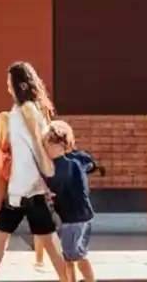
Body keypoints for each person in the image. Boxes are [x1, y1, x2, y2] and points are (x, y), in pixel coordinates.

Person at [0, 61, 70, 282]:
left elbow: (38, 144)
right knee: (0, 238)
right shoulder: (20, 111)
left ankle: (67, 279)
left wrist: (47, 173)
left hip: (30, 189)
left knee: (46, 241)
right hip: (19, 190)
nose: (7, 87)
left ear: (19, 84)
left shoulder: (28, 110)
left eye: (9, 82)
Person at [41, 120, 98, 282]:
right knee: (70, 255)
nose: (44, 149)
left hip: (73, 219)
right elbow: (91, 164)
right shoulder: (77, 158)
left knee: (75, 255)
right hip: (83, 216)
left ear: (56, 144)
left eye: (45, 145)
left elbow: (56, 186)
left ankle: (89, 280)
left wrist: (47, 192)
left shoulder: (61, 167)